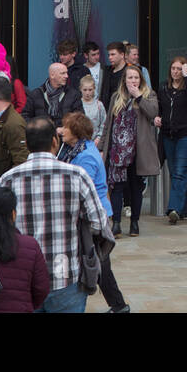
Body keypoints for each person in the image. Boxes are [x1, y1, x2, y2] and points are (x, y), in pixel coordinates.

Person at [0, 117, 108, 313]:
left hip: (24, 279)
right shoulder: (77, 176)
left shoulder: (8, 179)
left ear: (28, 144)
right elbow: (99, 223)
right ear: (54, 141)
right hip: (65, 276)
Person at [58, 111, 129, 312]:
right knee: (99, 262)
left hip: (94, 214)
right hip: (96, 212)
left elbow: (81, 189)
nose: (62, 131)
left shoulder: (85, 156)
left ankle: (118, 305)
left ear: (77, 132)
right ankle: (118, 305)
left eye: (66, 127)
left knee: (98, 262)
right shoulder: (79, 150)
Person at [99, 65, 159, 237]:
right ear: (124, 80)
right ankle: (116, 223)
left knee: (135, 188)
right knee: (116, 188)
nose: (133, 81)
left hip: (137, 151)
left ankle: (134, 223)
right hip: (118, 151)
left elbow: (153, 112)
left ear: (141, 80)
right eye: (130, 78)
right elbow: (107, 125)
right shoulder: (115, 97)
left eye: (136, 78)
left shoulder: (149, 95)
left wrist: (138, 97)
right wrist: (103, 147)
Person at [157, 55, 187, 224]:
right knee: (175, 172)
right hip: (168, 135)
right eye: (173, 69)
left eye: (179, 69)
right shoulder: (163, 87)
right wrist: (157, 118)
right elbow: (160, 108)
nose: (175, 72)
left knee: (181, 172)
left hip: (186, 135)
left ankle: (173, 208)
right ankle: (184, 209)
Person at [25, 61, 85, 128]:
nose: (66, 76)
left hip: (65, 136)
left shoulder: (74, 94)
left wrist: (66, 129)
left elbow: (80, 119)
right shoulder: (36, 94)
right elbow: (25, 116)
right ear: (52, 75)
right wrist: (39, 129)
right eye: (63, 73)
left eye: (66, 73)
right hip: (41, 136)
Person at [79, 77, 107, 149]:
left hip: (95, 142)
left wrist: (99, 138)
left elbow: (104, 123)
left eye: (90, 90)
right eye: (85, 90)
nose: (87, 93)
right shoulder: (77, 104)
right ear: (80, 89)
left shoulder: (99, 105)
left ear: (94, 89)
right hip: (80, 142)